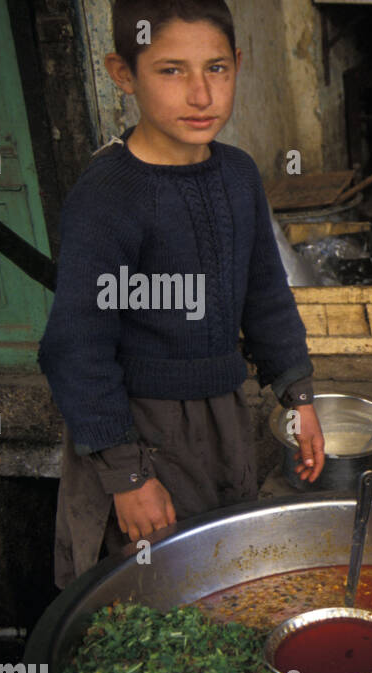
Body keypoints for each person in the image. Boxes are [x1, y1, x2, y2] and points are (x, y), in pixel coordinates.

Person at [39, 0, 324, 588]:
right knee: (144, 591)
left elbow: (266, 295)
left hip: (223, 418)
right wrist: (127, 475)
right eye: (171, 71)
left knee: (220, 573)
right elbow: (77, 348)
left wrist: (298, 396)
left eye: (216, 69)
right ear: (123, 74)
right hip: (138, 430)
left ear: (238, 65)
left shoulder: (238, 174)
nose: (201, 95)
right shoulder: (109, 195)